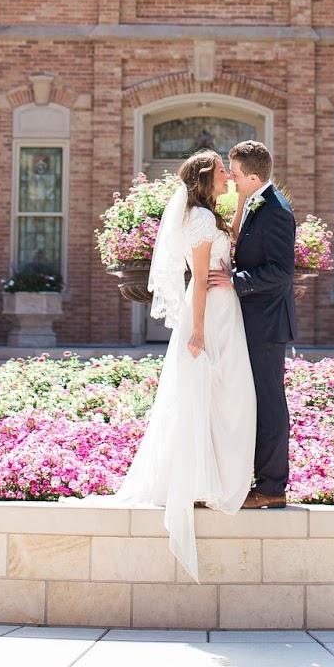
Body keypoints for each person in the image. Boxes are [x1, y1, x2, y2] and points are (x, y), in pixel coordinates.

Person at [101, 150, 255, 580]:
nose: (229, 174)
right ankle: (199, 481)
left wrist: (241, 204)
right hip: (211, 313)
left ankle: (209, 475)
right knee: (205, 392)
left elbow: (232, 249)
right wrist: (199, 330)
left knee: (218, 391)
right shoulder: (201, 221)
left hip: (224, 310)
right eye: (224, 171)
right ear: (208, 178)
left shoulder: (208, 214)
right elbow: (201, 279)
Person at [208, 139, 296, 509]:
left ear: (255, 176)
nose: (232, 179)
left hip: (266, 324)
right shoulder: (253, 203)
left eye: (237, 174)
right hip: (248, 320)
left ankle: (272, 487)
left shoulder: (276, 210)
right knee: (250, 400)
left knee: (270, 404)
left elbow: (281, 271)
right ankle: (248, 479)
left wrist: (236, 281)